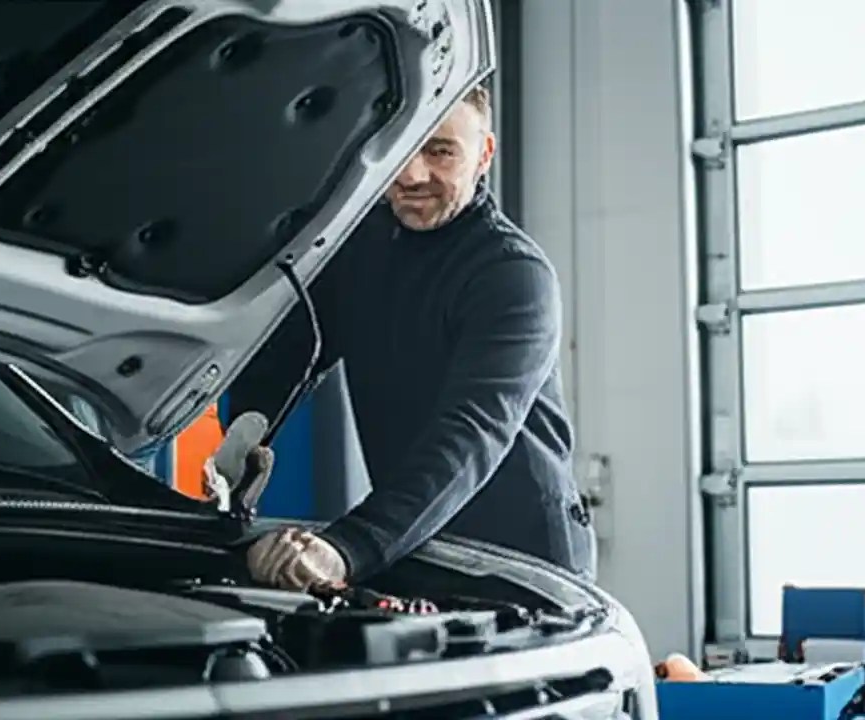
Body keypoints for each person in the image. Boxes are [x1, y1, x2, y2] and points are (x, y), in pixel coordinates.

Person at [228, 83, 595, 591]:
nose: (412, 174)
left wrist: (349, 547)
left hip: (523, 564)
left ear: (483, 154)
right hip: (418, 542)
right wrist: (237, 447)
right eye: (402, 148)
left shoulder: (513, 276)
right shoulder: (360, 253)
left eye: (441, 151)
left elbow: (472, 431)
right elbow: (286, 361)